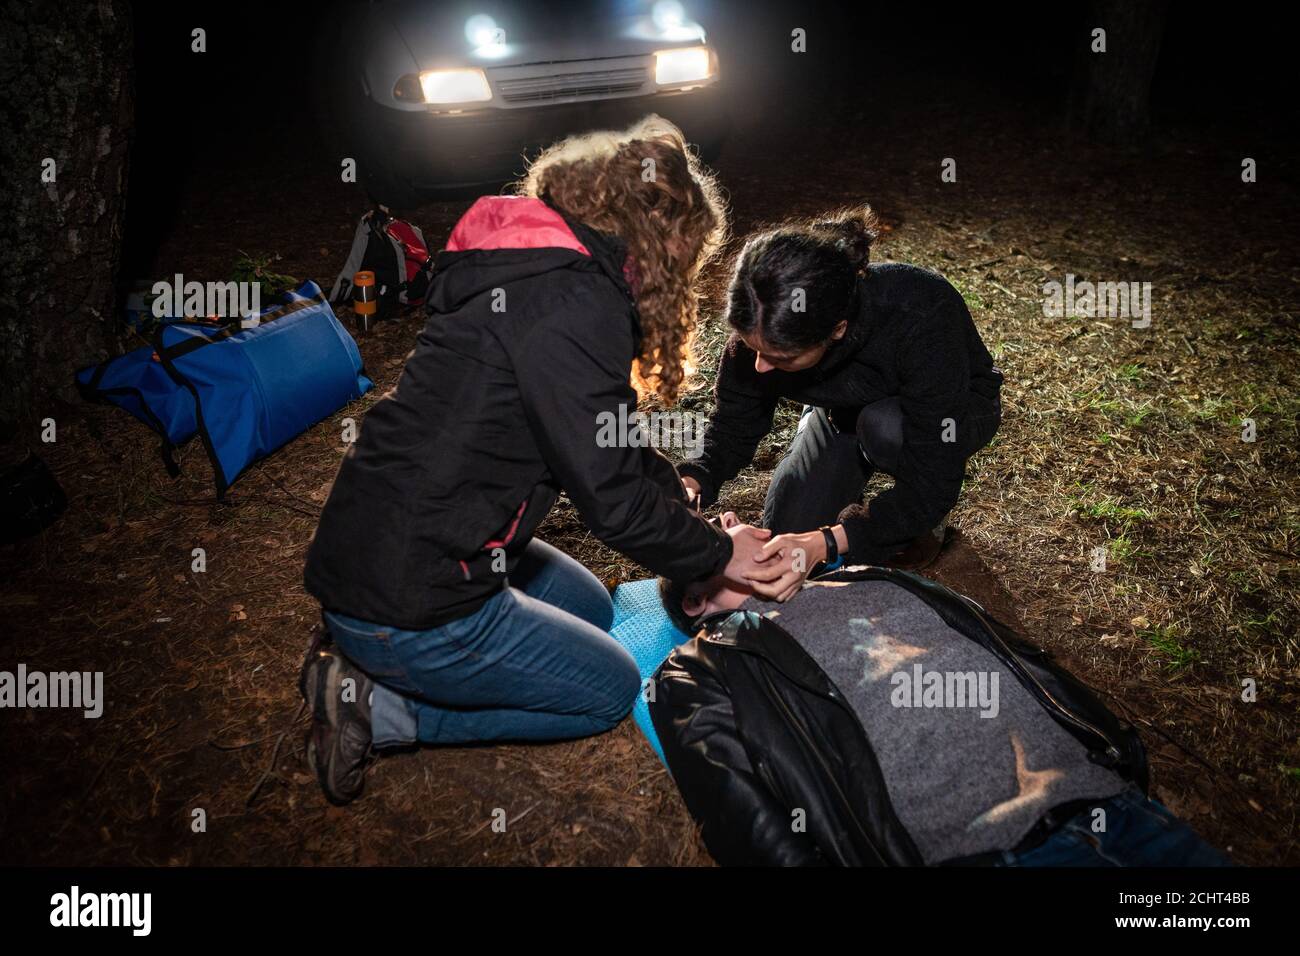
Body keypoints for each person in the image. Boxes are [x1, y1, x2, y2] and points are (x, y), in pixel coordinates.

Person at [298, 116, 771, 805]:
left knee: (593, 610)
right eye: (686, 257)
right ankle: (374, 702)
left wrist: (679, 503)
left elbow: (600, 434)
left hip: (385, 539)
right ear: (663, 244)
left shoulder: (539, 265)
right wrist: (714, 557)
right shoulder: (577, 303)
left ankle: (399, 651)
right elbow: (611, 501)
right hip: (408, 594)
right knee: (605, 690)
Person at [651, 514, 1230, 867]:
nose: (737, 522)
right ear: (696, 599)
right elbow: (745, 823)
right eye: (719, 532)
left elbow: (1023, 660)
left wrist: (1115, 751)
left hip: (1118, 808)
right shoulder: (701, 669)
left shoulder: (867, 576)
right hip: (977, 851)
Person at [679, 207, 1004, 601]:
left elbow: (933, 476)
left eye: (781, 359)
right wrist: (696, 476)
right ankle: (844, 456)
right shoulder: (765, 326)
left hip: (943, 410)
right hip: (842, 409)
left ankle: (922, 526)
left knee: (885, 429)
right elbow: (735, 423)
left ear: (837, 330)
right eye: (752, 349)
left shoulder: (920, 313)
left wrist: (828, 542)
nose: (761, 367)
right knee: (790, 528)